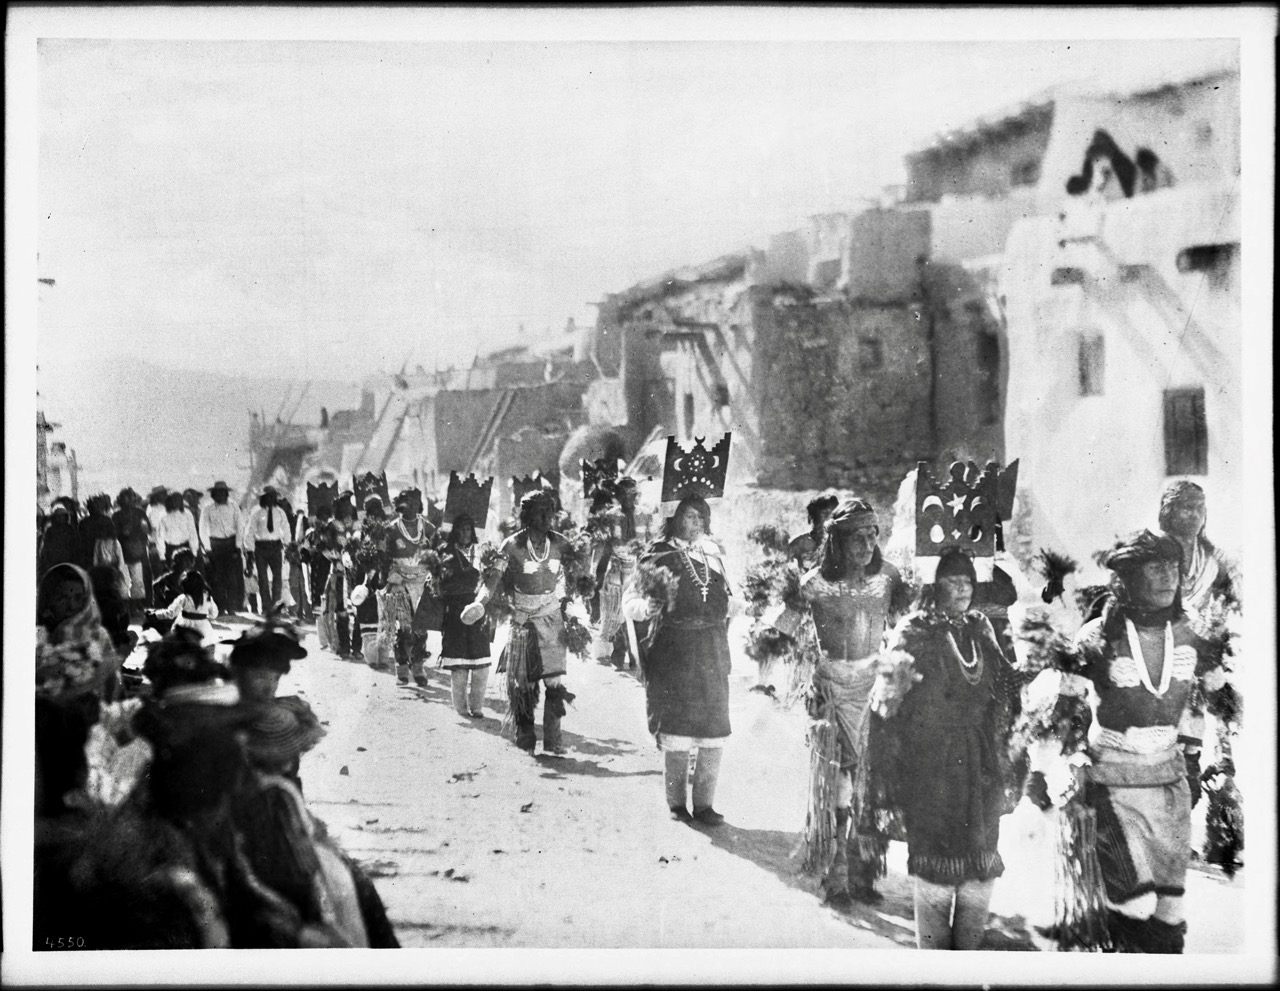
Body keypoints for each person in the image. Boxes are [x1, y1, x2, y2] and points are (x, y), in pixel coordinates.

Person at [1066, 531, 1221, 953]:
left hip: (1169, 787)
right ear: (1129, 579)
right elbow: (1064, 705)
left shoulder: (1193, 633)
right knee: (1133, 905)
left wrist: (1198, 754)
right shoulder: (1098, 636)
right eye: (1155, 568)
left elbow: (1212, 697)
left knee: (1170, 911)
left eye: (1173, 567)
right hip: (1112, 785)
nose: (1168, 577)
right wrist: (1067, 758)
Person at [876, 549, 1017, 950]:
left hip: (979, 762)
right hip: (930, 765)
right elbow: (886, 704)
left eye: (968, 581)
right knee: (935, 868)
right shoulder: (914, 629)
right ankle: (934, 963)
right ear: (934, 585)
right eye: (953, 581)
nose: (962, 589)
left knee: (980, 863)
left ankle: (966, 960)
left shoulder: (980, 627)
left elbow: (1005, 686)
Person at [800, 498, 909, 907]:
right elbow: (784, 629)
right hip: (832, 688)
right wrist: (805, 678)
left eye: (871, 536)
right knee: (840, 785)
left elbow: (904, 624)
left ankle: (864, 873)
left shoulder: (889, 578)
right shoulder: (815, 583)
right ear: (838, 542)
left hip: (875, 688)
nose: (866, 545)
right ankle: (837, 876)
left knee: (871, 785)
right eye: (857, 538)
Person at [622, 495, 732, 825]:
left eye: (701, 517)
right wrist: (647, 608)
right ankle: (676, 803)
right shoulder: (657, 554)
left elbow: (729, 597)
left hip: (711, 650)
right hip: (674, 651)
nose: (696, 523)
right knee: (677, 727)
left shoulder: (713, 553)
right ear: (674, 518)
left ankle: (705, 804)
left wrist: (736, 607)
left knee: (713, 727)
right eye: (689, 516)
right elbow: (631, 601)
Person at [462, 490, 576, 755]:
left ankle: (553, 739)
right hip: (523, 619)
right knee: (524, 681)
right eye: (540, 512)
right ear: (527, 515)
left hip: (551, 616)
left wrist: (576, 597)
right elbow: (492, 580)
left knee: (554, 680)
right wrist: (480, 602)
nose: (546, 518)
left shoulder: (561, 543)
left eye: (549, 511)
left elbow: (576, 576)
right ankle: (525, 732)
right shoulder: (511, 545)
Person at [36, 563, 124, 817]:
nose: (71, 605)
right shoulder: (39, 634)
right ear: (47, 600)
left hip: (88, 716)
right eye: (62, 598)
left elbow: (112, 683)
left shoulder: (98, 635)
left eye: (78, 598)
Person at [437, 514, 491, 717]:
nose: (465, 533)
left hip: (478, 610)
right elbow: (438, 583)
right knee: (459, 663)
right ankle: (460, 707)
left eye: (469, 529)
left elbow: (490, 580)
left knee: (481, 662)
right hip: (455, 611)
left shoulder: (482, 552)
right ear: (454, 531)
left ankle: (477, 707)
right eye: (461, 529)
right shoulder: (446, 552)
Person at [381, 491, 437, 687]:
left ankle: (418, 667)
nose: (411, 506)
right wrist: (388, 575)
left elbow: (438, 550)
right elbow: (383, 557)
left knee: (421, 628)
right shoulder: (391, 529)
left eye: (414, 503)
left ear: (419, 504)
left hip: (422, 583)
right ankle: (402, 668)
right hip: (400, 582)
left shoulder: (428, 527)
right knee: (404, 628)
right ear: (399, 505)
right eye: (406, 503)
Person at [225, 617, 310, 705]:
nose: (269, 688)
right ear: (238, 674)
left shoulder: (286, 709)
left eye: (276, 678)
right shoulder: (223, 709)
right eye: (261, 677)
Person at [243, 486, 291, 613]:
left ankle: (276, 606)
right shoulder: (256, 512)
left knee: (277, 578)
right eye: (268, 496)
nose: (271, 499)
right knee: (262, 579)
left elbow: (286, 529)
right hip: (261, 548)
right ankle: (266, 607)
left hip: (276, 547)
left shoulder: (280, 512)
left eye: (273, 496)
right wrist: (249, 550)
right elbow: (249, 531)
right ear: (263, 498)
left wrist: (288, 545)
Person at [200, 481, 244, 615]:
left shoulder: (234, 506)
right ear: (213, 494)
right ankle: (220, 607)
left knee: (232, 577)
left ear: (226, 493)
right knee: (216, 578)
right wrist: (207, 548)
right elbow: (203, 529)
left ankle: (232, 607)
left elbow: (240, 526)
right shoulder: (207, 508)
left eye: (222, 493)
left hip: (231, 543)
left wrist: (238, 546)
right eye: (217, 493)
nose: (220, 495)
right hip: (215, 545)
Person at [113, 488, 151, 621]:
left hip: (137, 552)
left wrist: (142, 531)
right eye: (126, 498)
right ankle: (125, 609)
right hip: (122, 552)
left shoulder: (140, 513)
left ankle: (134, 608)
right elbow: (113, 533)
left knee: (138, 581)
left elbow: (147, 529)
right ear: (121, 500)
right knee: (123, 581)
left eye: (131, 497)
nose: (129, 501)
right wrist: (122, 532)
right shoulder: (117, 515)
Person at [154, 569, 221, 643]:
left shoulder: (183, 598)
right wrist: (202, 615)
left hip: (184, 627)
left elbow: (171, 613)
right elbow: (214, 614)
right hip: (203, 630)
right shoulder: (208, 598)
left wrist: (155, 614)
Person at [789, 491, 840, 572]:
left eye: (833, 515)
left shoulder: (840, 543)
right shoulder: (799, 544)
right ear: (814, 516)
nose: (830, 519)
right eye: (825, 514)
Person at [38, 503, 84, 579]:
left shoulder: (70, 530)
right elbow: (46, 546)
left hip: (68, 559)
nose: (60, 518)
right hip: (53, 560)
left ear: (66, 517)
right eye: (58, 517)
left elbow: (76, 545)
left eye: (62, 516)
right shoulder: (50, 531)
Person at [156, 491, 199, 567]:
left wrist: (194, 552)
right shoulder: (163, 515)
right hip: (170, 549)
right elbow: (160, 537)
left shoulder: (187, 514)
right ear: (170, 501)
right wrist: (162, 555)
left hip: (186, 547)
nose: (176, 503)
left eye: (179, 500)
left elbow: (192, 533)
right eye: (174, 500)